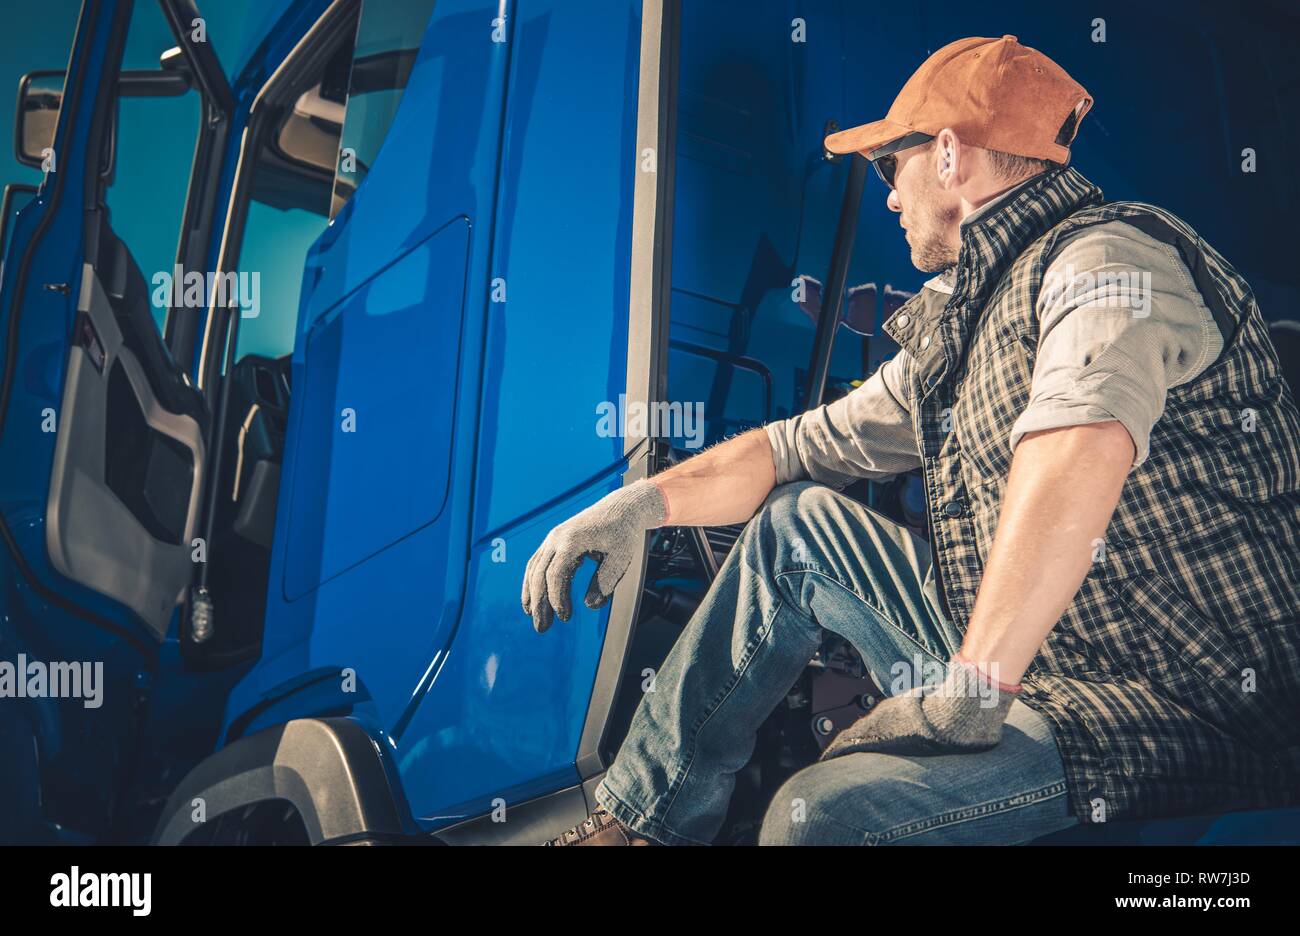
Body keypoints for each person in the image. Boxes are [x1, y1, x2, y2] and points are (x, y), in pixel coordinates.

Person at [524, 35, 1300, 846]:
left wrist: (972, 688)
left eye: (891, 167)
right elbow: (794, 448)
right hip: (1038, 662)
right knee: (798, 525)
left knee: (817, 815)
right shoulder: (967, 323)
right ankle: (641, 823)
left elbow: (1079, 446)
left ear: (950, 155)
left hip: (1172, 703)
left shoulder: (1111, 263)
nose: (889, 198)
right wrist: (638, 504)